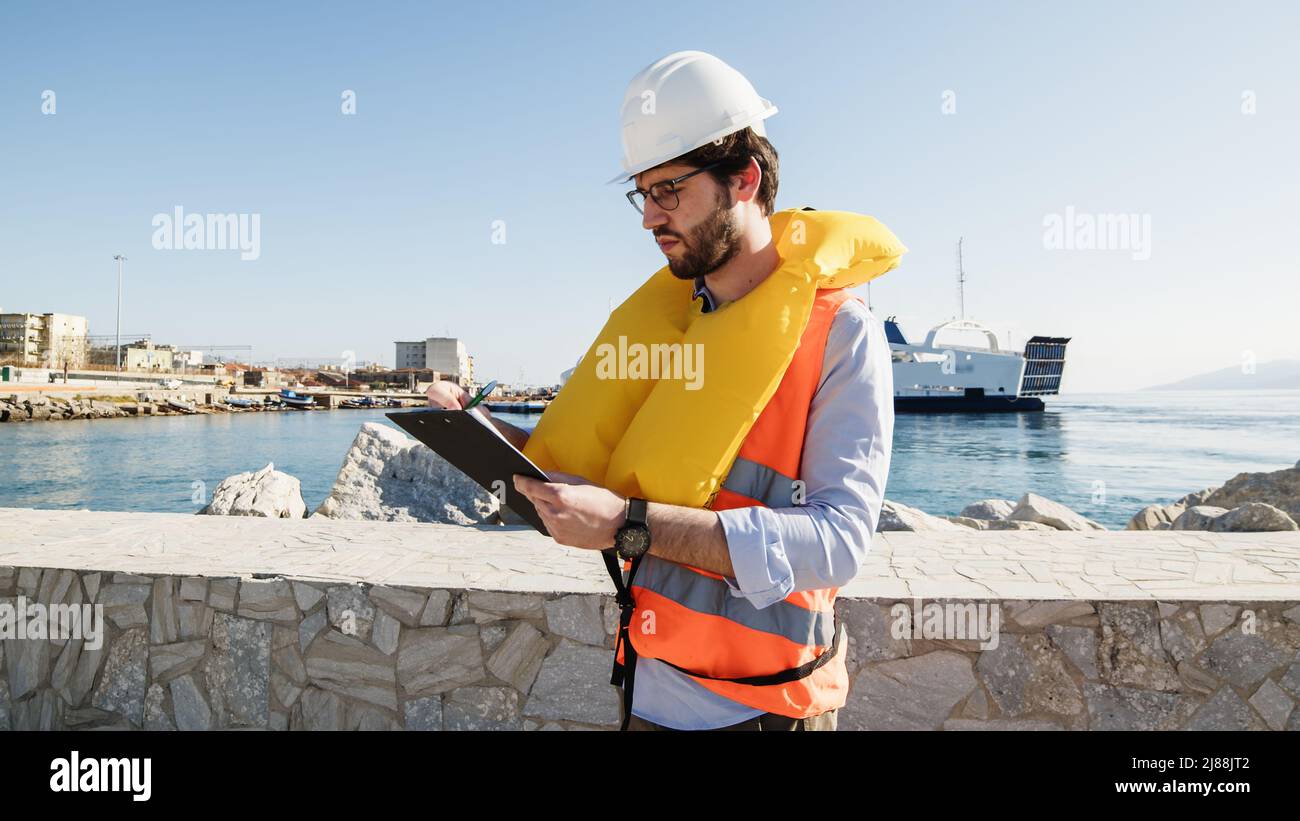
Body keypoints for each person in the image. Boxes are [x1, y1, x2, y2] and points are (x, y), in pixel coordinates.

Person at [427, 50, 902, 731]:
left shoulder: (841, 335)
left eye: (668, 192)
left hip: (764, 712)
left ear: (743, 178)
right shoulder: (673, 324)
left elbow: (837, 542)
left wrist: (628, 525)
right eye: (643, 195)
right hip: (647, 692)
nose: (648, 219)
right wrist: (481, 432)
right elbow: (603, 483)